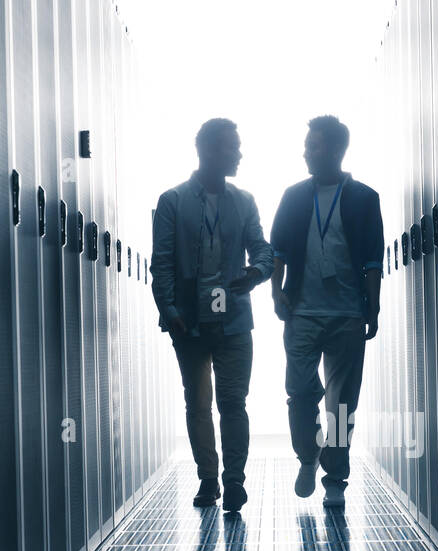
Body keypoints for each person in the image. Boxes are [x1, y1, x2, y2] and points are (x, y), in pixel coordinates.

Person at [152, 118, 273, 512]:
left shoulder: (245, 201)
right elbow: (163, 263)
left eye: (236, 147)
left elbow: (262, 249)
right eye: (229, 147)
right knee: (198, 403)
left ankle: (234, 481)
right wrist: (169, 311)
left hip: (234, 319)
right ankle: (208, 479)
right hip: (190, 320)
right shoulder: (173, 201)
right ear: (205, 151)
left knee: (233, 402)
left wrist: (256, 273)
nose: (238, 154)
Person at [270, 115, 384, 509]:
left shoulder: (364, 198)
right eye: (307, 144)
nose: (306, 150)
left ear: (336, 150)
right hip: (302, 311)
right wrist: (276, 292)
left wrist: (374, 306)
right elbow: (277, 251)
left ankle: (335, 475)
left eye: (314, 145)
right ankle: (308, 456)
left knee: (341, 402)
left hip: (348, 313)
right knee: (300, 391)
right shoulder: (293, 196)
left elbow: (372, 259)